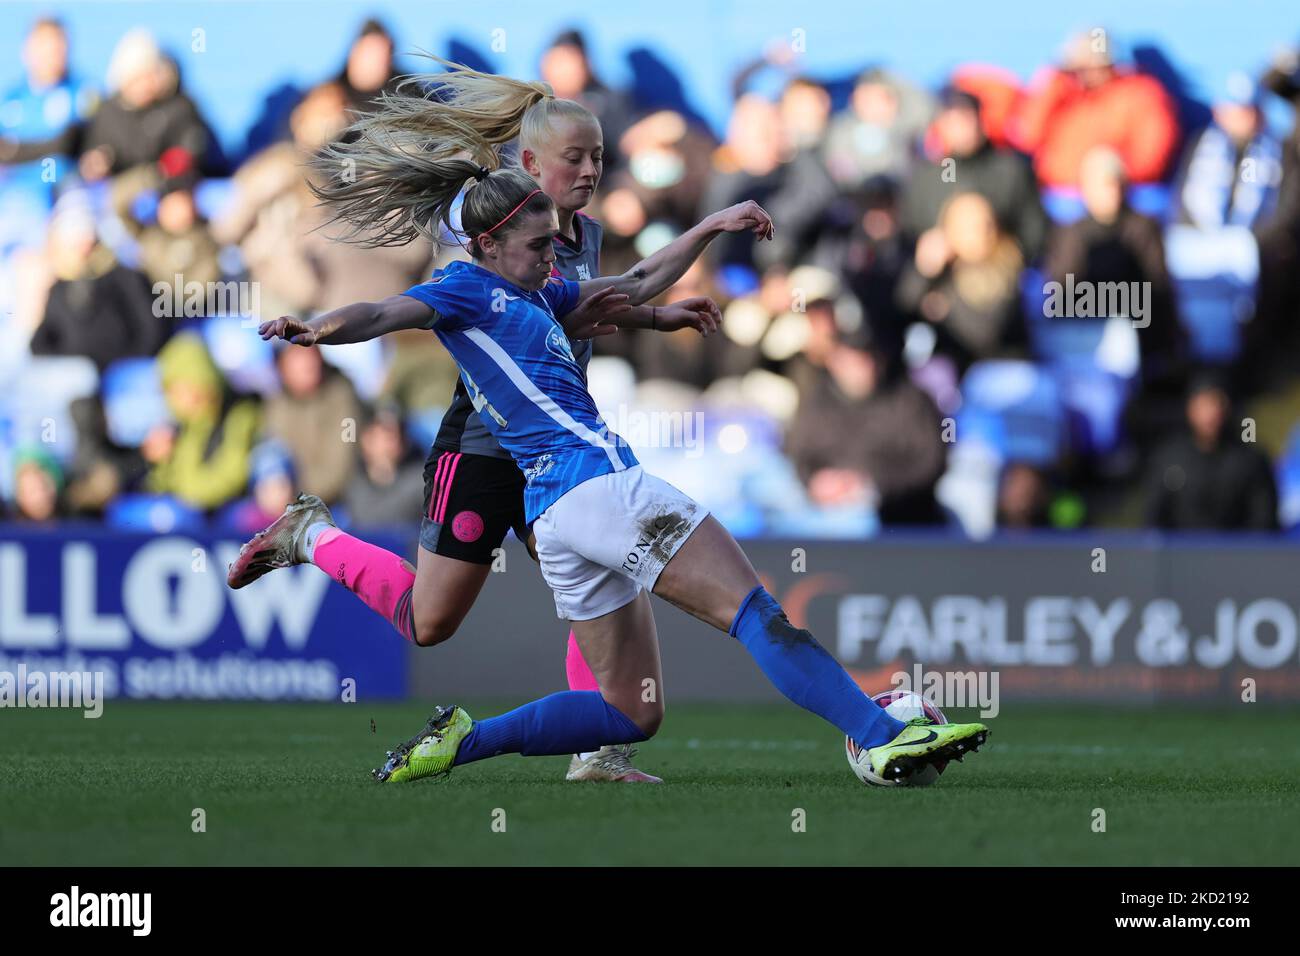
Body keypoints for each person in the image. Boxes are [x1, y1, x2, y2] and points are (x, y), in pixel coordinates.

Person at [231, 62, 989, 787]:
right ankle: (885, 732)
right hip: (508, 457)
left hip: (552, 495)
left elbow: (610, 295)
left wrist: (672, 293)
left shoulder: (546, 269)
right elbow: (388, 311)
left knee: (633, 709)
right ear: (525, 172)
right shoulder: (478, 273)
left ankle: (516, 744)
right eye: (575, 158)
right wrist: (320, 329)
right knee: (741, 610)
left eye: (599, 156)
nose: (591, 170)